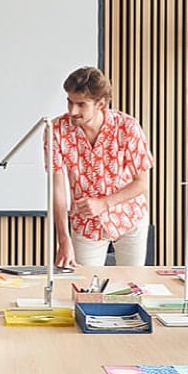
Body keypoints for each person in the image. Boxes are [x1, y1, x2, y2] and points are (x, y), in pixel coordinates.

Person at [50, 66, 154, 270]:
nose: (72, 111)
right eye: (70, 102)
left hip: (129, 217)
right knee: (83, 284)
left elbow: (142, 184)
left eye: (81, 104)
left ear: (101, 104)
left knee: (131, 283)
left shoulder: (127, 127)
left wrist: (103, 203)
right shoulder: (56, 130)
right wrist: (63, 238)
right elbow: (57, 187)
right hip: (85, 223)